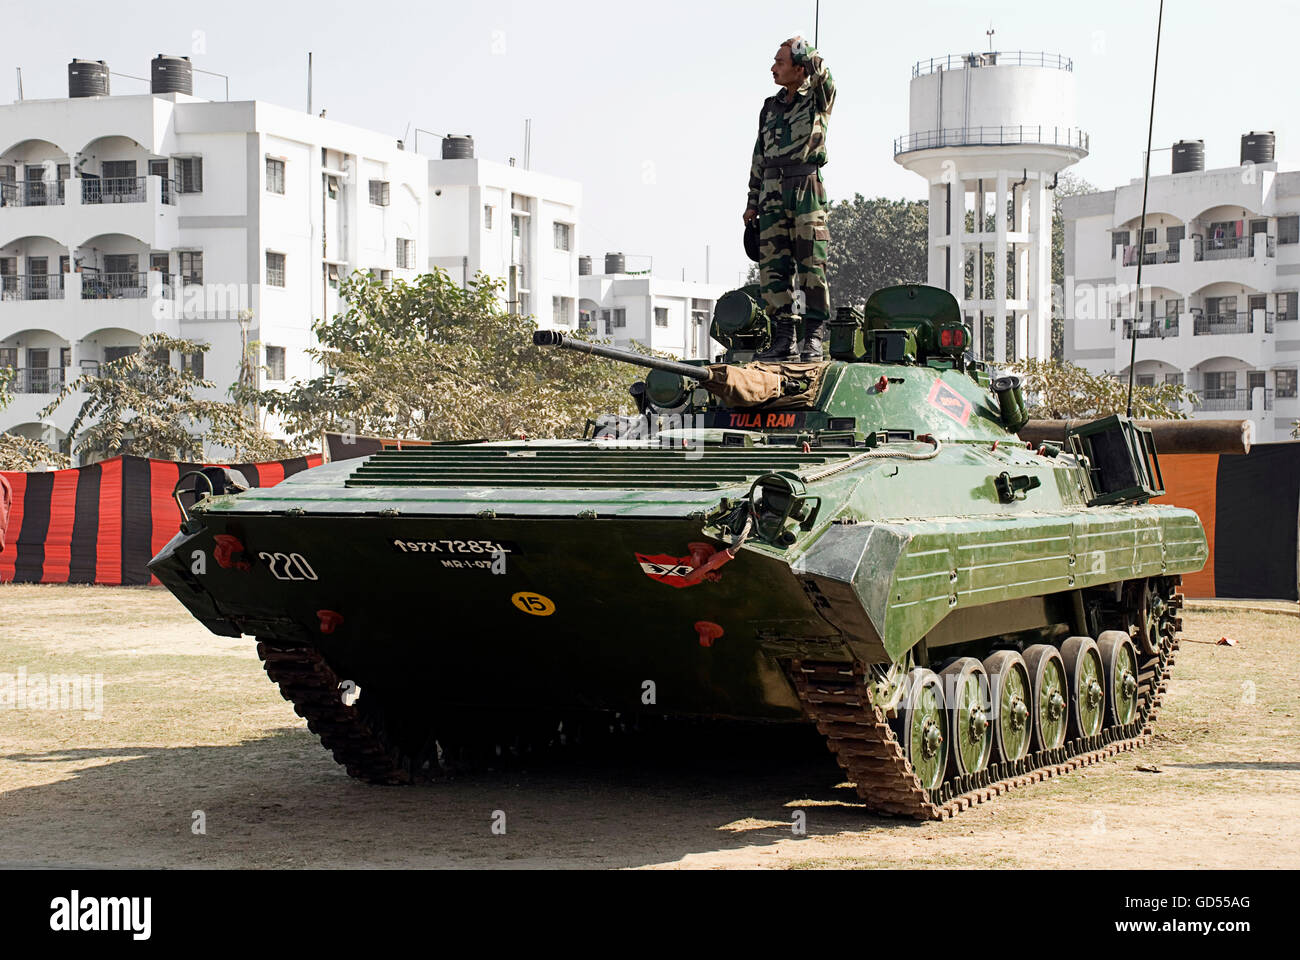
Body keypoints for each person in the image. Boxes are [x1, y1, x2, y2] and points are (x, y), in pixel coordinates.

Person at [744, 35, 835, 361]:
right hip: (770, 189)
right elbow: (759, 154)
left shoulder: (817, 100)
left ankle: (812, 337)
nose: (773, 68)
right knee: (773, 269)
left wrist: (806, 50)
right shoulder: (770, 107)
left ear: (799, 68)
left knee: (811, 265)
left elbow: (824, 75)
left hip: (805, 186)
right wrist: (752, 200)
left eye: (780, 63)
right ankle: (784, 337)